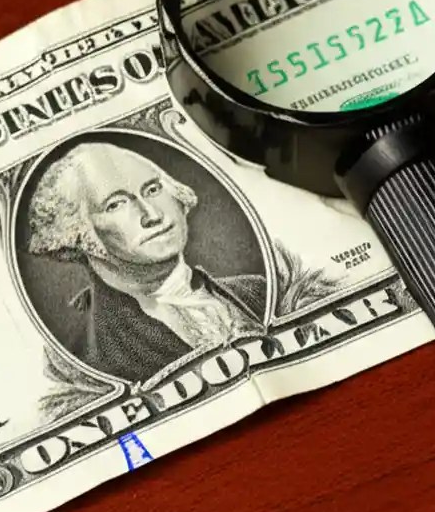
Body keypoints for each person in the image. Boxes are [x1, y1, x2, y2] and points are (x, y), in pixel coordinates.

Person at [28, 141, 266, 382]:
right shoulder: (87, 362)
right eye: (116, 204)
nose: (153, 215)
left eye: (152, 190)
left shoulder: (258, 291)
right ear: (75, 234)